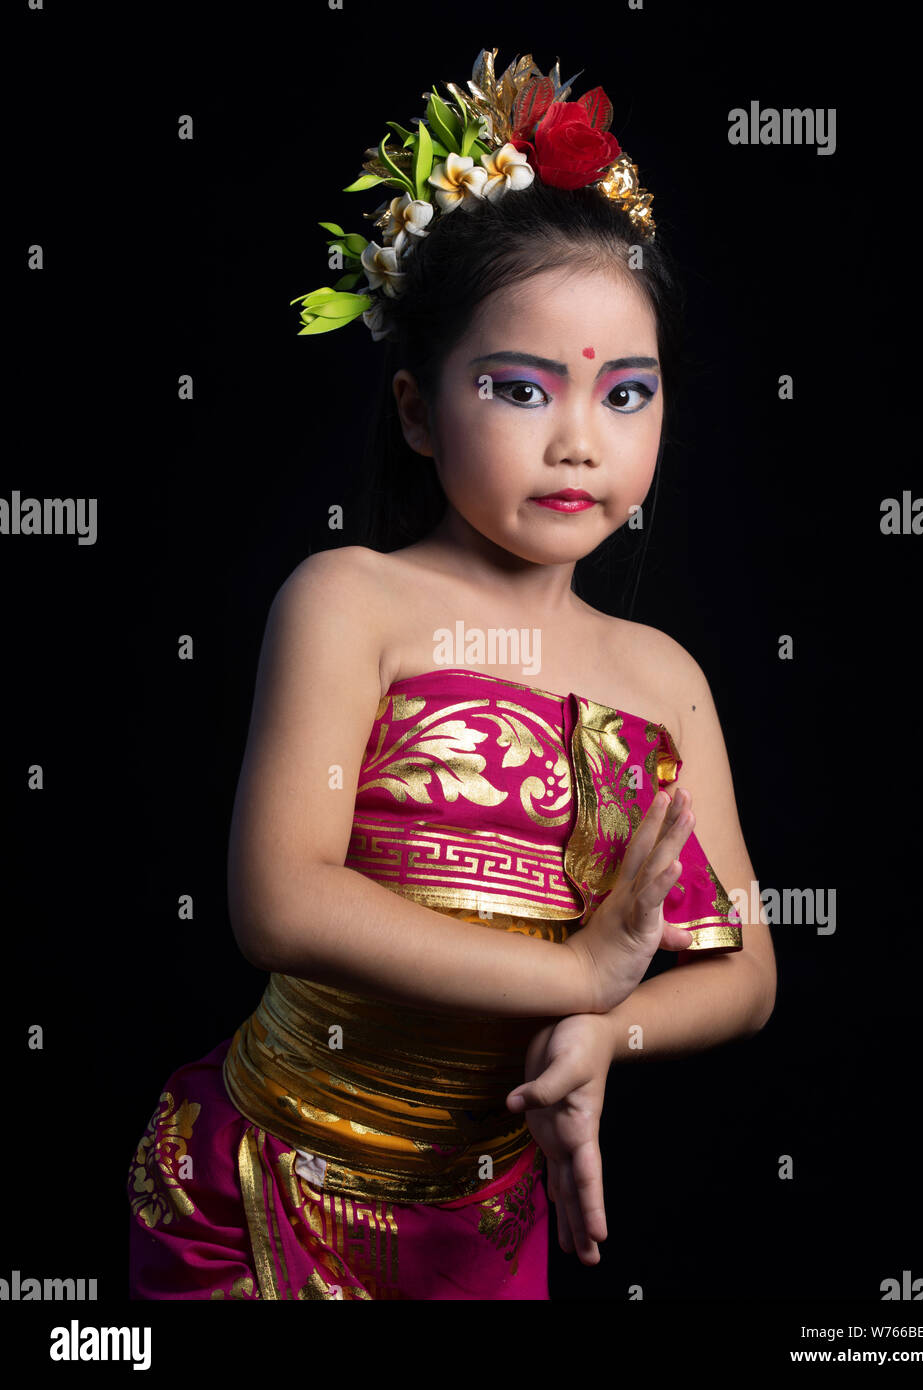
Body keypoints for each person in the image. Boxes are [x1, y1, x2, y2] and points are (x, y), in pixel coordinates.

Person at [127, 45, 777, 1301]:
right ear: (421, 412)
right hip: (262, 1185)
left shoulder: (664, 676)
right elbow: (279, 899)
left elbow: (746, 970)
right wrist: (575, 972)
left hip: (482, 1223)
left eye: (627, 393)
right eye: (519, 388)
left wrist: (603, 1030)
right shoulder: (351, 600)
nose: (579, 439)